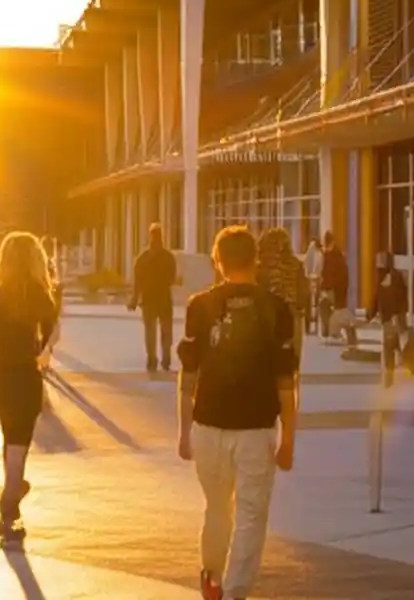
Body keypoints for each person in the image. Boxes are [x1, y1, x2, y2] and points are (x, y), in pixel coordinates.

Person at [177, 226, 298, 600]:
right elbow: (285, 383)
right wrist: (289, 438)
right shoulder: (276, 309)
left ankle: (212, 579)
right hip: (256, 430)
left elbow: (188, 375)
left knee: (216, 508)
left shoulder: (199, 306)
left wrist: (183, 431)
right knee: (250, 515)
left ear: (218, 261)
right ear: (255, 261)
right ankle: (235, 592)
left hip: (208, 425)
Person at [0, 232, 58, 543]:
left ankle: (13, 490)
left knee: (9, 435)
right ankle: (9, 503)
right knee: (19, 439)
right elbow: (51, 333)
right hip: (26, 375)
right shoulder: (39, 295)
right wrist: (45, 351)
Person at [128, 222, 178, 371]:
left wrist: (134, 300)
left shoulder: (143, 258)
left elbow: (138, 282)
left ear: (150, 237)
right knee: (166, 331)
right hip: (163, 299)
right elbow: (172, 278)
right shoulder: (169, 257)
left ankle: (152, 359)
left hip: (149, 299)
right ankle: (166, 359)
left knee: (150, 332)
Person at [256, 227, 309, 363]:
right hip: (292, 315)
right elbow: (304, 294)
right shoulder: (296, 265)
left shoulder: (259, 267)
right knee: (291, 359)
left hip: (264, 317)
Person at [371, 251, 410, 388]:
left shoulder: (385, 278)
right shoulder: (395, 276)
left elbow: (378, 299)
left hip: (389, 317)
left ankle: (389, 376)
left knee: (389, 346)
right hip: (395, 316)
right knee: (395, 344)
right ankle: (401, 368)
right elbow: (403, 296)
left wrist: (372, 313)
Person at [317, 232, 349, 337]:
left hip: (331, 289)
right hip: (330, 289)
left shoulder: (333, 257)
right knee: (325, 308)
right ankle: (329, 331)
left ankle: (329, 331)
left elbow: (329, 274)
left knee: (326, 308)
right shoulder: (335, 256)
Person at [303, 238, 323, 333]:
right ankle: (315, 327)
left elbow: (306, 267)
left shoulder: (310, 252)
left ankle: (309, 327)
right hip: (316, 279)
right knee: (315, 303)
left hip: (309, 280)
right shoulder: (319, 254)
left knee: (310, 305)